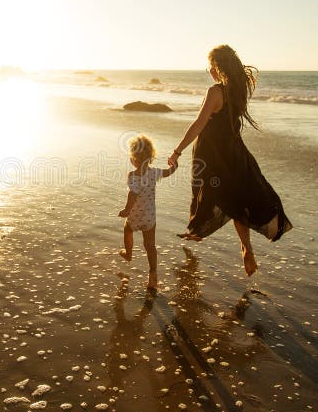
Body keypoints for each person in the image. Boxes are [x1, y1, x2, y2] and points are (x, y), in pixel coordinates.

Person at [168, 45, 292, 276]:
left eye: (211, 67)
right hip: (235, 152)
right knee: (237, 201)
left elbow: (198, 124)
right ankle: (244, 247)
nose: (210, 71)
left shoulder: (215, 92)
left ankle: (198, 230)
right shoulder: (239, 89)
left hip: (212, 154)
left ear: (217, 67)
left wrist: (177, 151)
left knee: (207, 192)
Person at [118, 134, 177, 290]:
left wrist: (126, 209)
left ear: (133, 159)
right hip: (150, 217)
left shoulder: (132, 175)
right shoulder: (155, 172)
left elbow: (133, 194)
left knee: (127, 229)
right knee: (150, 246)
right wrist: (174, 165)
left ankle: (129, 253)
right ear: (151, 157)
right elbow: (169, 172)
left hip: (135, 216)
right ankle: (153, 275)